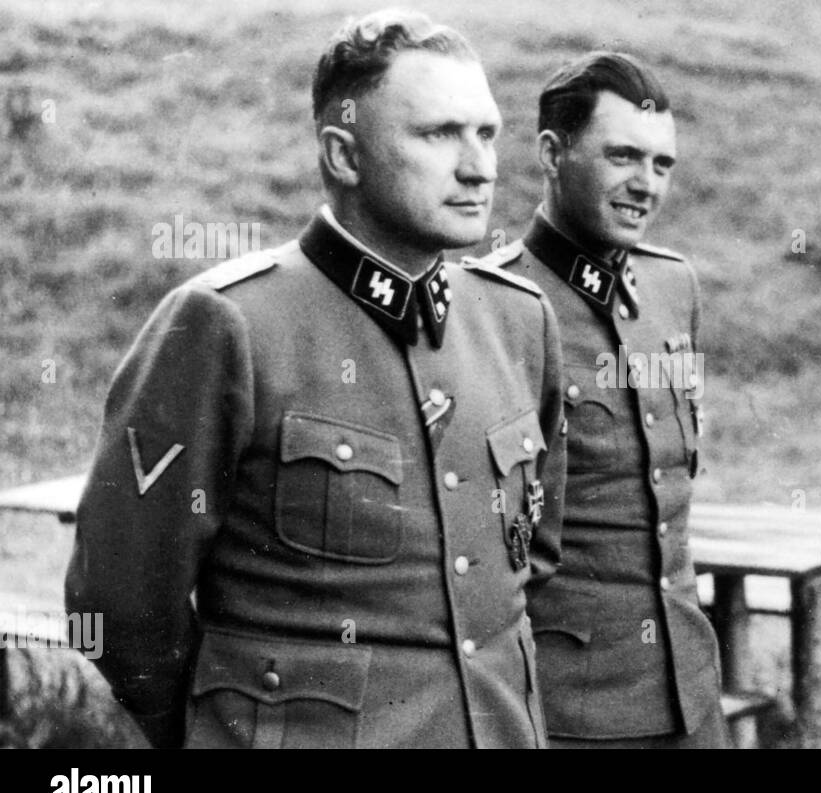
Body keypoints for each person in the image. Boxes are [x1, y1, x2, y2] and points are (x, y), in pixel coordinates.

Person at [64, 9, 565, 749]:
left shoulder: (519, 320)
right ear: (343, 154)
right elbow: (119, 605)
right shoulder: (227, 324)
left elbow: (529, 560)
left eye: (486, 132)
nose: (479, 166)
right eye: (437, 135)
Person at [481, 52, 726, 748]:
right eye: (622, 156)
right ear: (553, 154)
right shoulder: (494, 306)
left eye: (662, 164)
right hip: (567, 711)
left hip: (691, 694)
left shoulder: (673, 288)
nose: (645, 185)